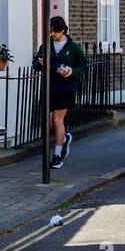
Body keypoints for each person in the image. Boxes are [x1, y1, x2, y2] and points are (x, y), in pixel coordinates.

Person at [34, 16, 86, 170]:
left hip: (65, 89)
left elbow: (82, 68)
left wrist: (71, 72)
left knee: (57, 119)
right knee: (49, 122)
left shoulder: (74, 48)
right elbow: (35, 64)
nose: (52, 34)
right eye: (50, 31)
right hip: (49, 89)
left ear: (62, 30)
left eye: (55, 32)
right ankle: (63, 140)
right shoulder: (45, 46)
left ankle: (57, 156)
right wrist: (39, 63)